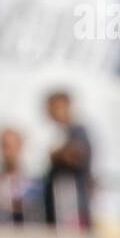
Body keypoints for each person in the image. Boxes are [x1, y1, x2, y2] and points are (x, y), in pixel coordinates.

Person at [43, 91, 93, 229]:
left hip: (71, 209)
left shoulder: (77, 131)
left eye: (55, 107)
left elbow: (75, 155)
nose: (52, 113)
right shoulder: (61, 133)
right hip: (60, 208)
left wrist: (56, 155)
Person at [0, 127, 39, 225]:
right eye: (4, 146)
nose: (7, 152)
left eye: (10, 146)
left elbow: (33, 207)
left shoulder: (34, 179)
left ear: (20, 146)